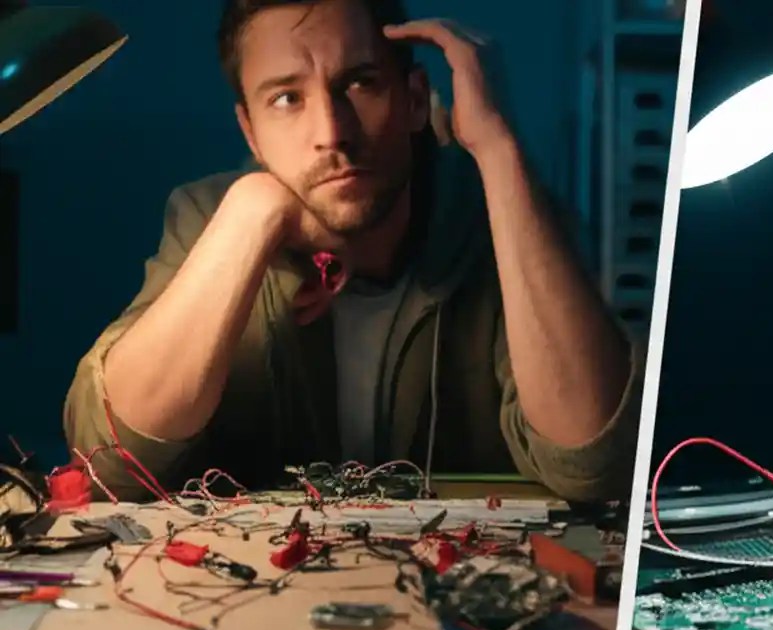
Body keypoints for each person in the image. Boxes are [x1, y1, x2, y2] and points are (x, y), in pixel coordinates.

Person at [63, 0, 644, 504]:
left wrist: (495, 146)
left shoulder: (503, 216)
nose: (333, 132)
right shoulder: (209, 218)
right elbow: (111, 465)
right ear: (250, 132)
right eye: (287, 98)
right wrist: (254, 208)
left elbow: (595, 462)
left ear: (416, 100)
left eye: (360, 83)